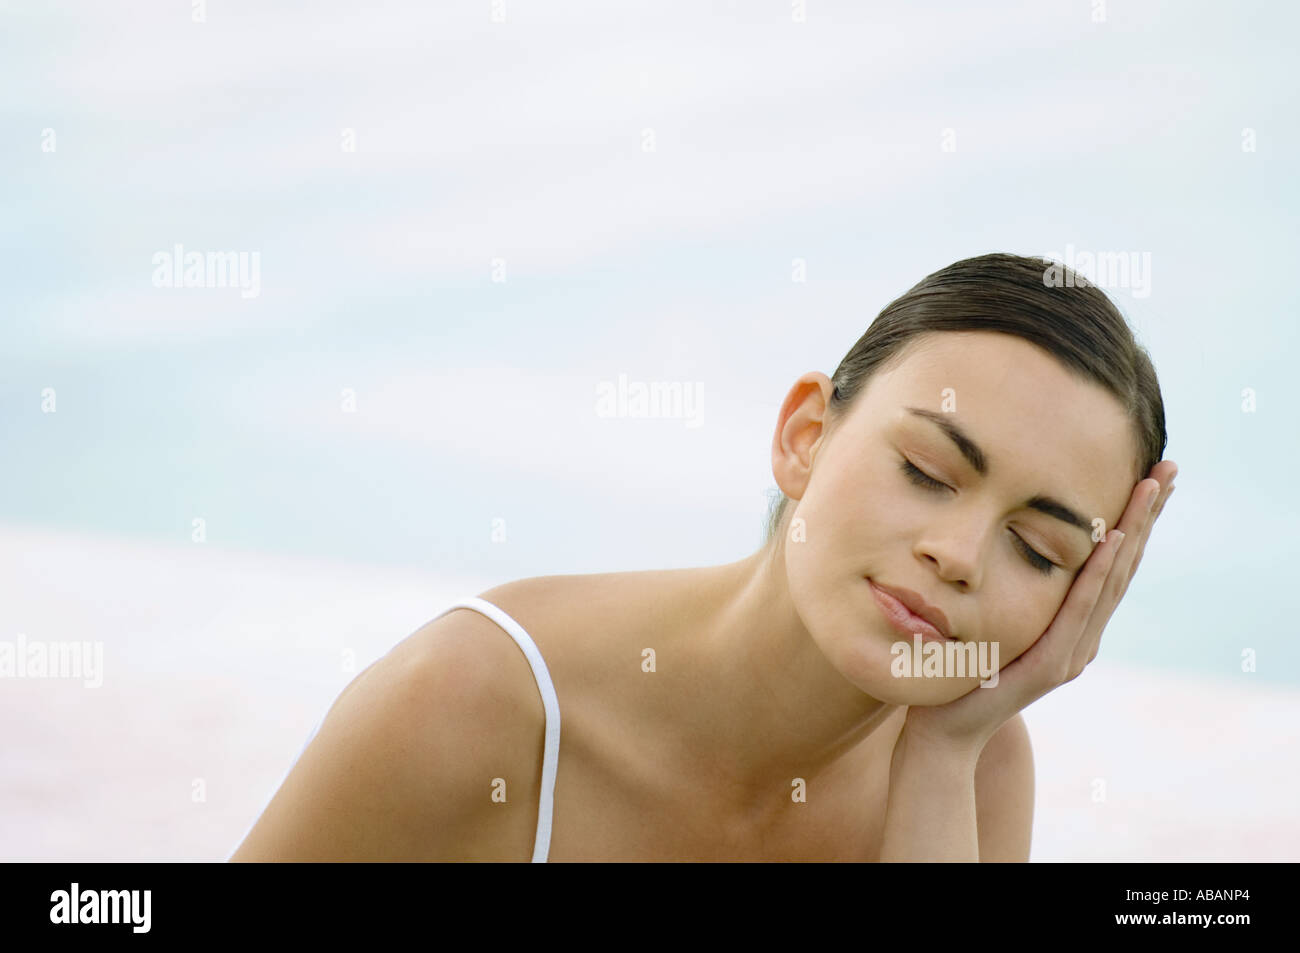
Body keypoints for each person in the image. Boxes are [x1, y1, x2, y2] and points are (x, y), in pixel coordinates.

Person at [229, 252, 1176, 862]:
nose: (960, 554)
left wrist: (938, 762)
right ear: (805, 435)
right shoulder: (472, 700)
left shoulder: (975, 759)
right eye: (928, 471)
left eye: (1037, 548)